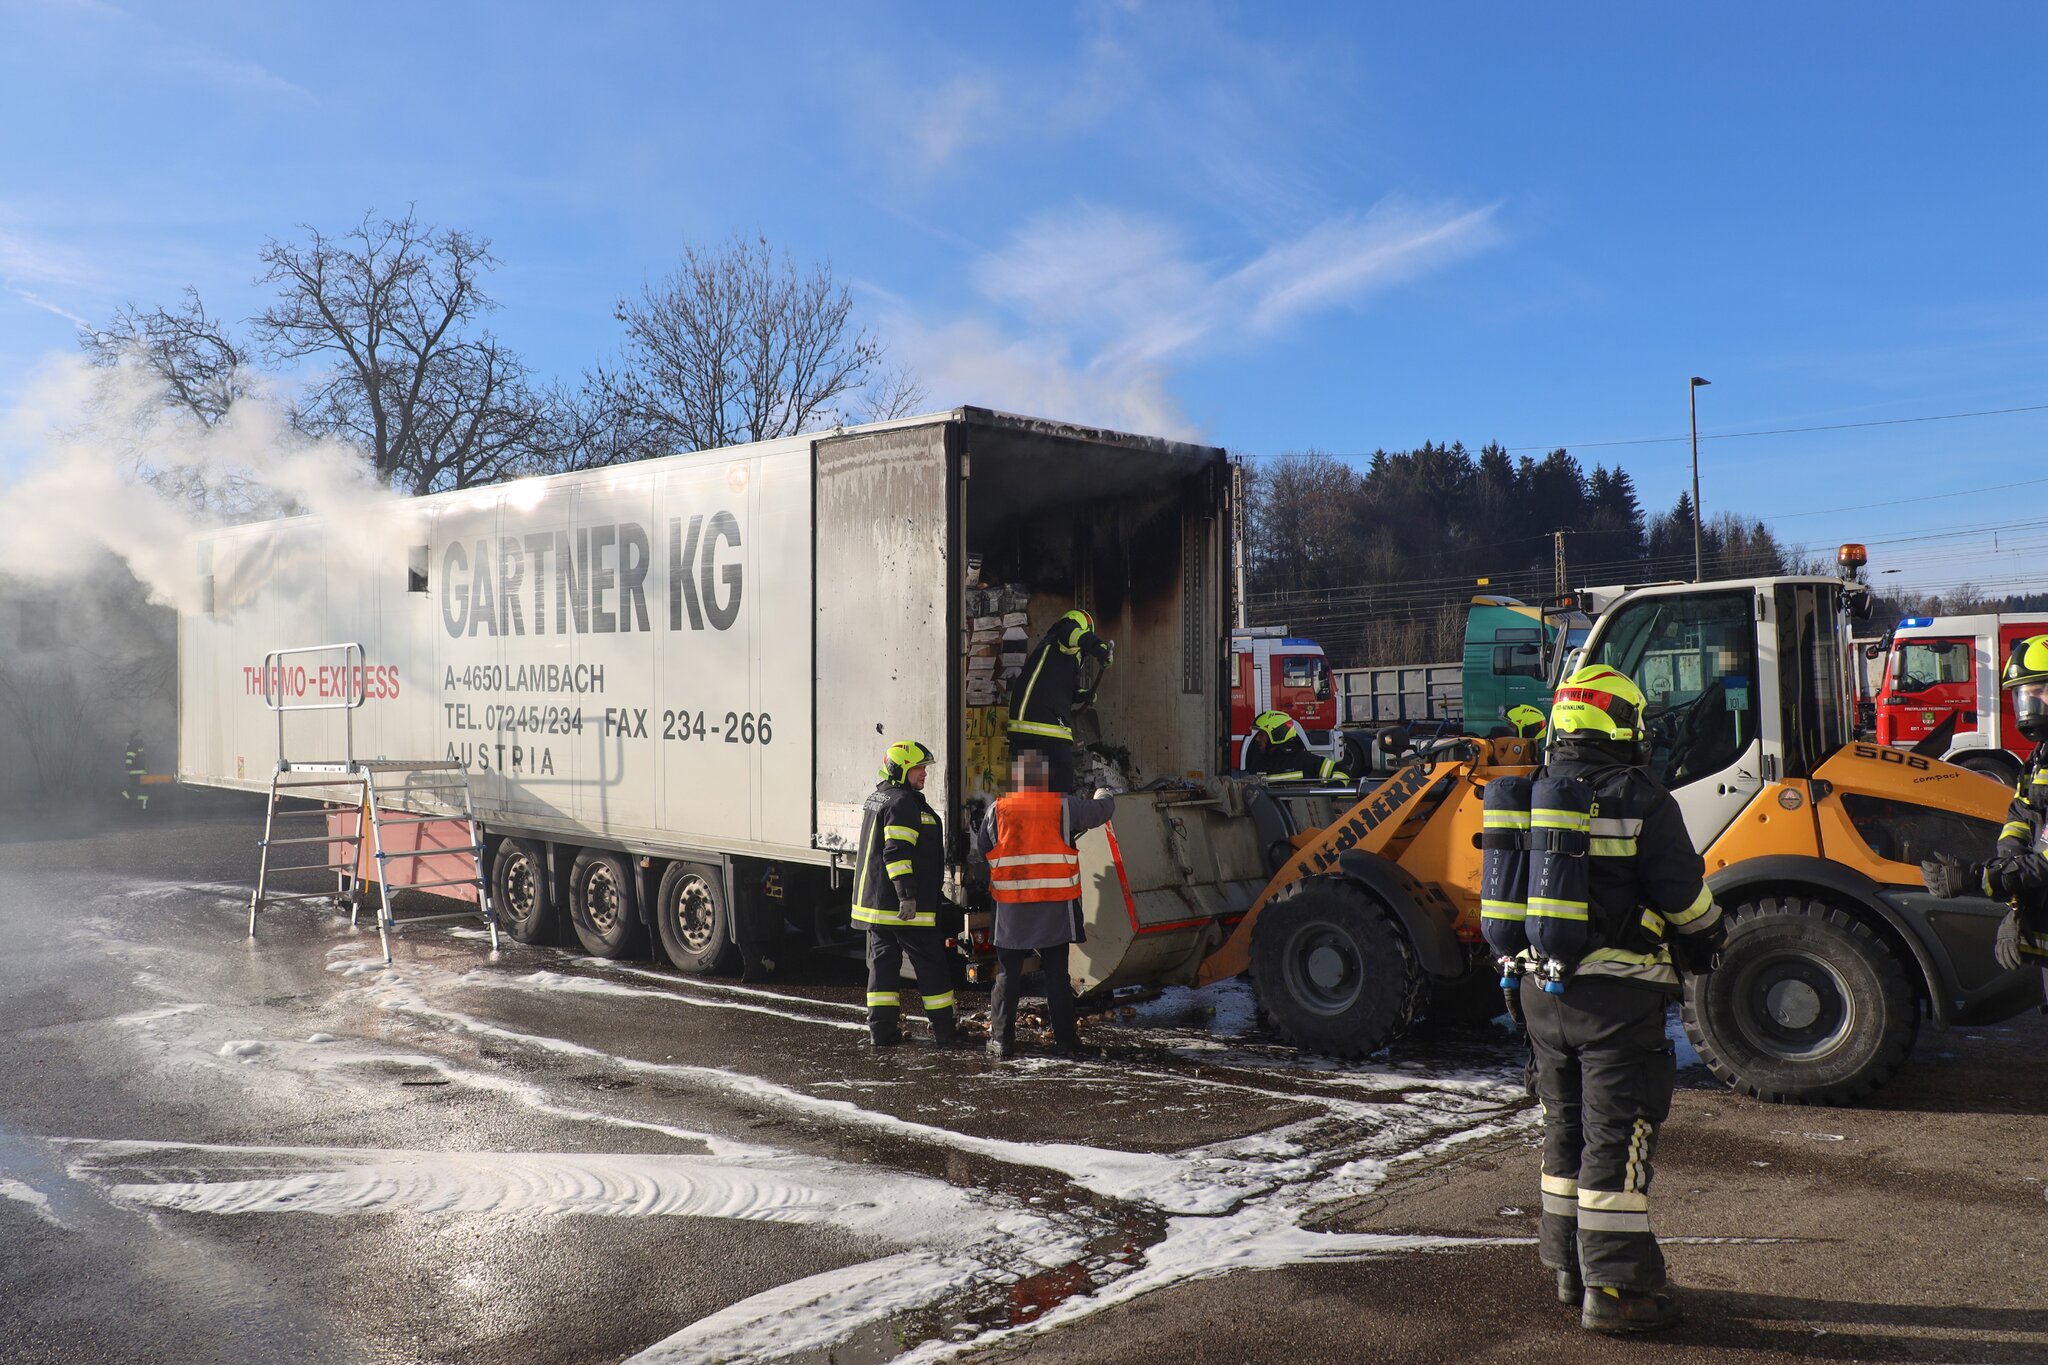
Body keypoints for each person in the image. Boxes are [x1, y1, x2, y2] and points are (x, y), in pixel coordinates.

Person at [1517, 665, 1726, 1335]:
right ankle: (1616, 1290)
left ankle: (1569, 1269)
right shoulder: (1641, 798)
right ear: (1622, 725)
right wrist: (1709, 939)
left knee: (1565, 1128)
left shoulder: (1532, 792)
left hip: (1541, 997)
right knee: (1616, 1136)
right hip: (1615, 1004)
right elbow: (1684, 898)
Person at [975, 749, 1117, 1060]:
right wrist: (1105, 794)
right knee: (1056, 975)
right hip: (1054, 906)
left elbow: (984, 848)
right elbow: (1101, 812)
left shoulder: (998, 809)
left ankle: (1002, 1041)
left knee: (1008, 975)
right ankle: (1065, 1041)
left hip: (1012, 908)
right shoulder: (1063, 806)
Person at [1924, 634, 2048, 974]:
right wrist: (2016, 902)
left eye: (2038, 691)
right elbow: (2020, 818)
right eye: (2023, 694)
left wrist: (1982, 877)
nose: (2029, 703)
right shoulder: (2041, 757)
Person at [852, 740, 960, 1048]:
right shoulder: (902, 802)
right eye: (918, 768)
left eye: (924, 768)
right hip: (903, 907)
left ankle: (881, 1031)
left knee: (883, 967)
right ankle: (945, 1030)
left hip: (878, 905)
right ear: (899, 769)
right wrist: (907, 896)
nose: (924, 773)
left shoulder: (880, 796)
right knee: (931, 965)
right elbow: (896, 853)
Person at [1007, 609, 1115, 793]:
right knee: (1059, 791)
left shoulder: (1051, 652)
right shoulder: (1064, 631)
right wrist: (1100, 648)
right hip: (1045, 730)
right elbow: (1074, 635)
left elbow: (1066, 690)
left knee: (1029, 796)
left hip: (1023, 731)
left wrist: (1084, 695)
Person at [1243, 710, 1352, 783]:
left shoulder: (1304, 760)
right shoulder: (1259, 763)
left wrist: (1327, 796)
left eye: (1262, 734)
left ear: (1277, 734)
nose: (1257, 739)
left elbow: (1342, 772)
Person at [122, 732, 150, 813]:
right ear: (135, 737)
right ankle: (128, 801)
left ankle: (141, 807)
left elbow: (141, 759)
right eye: (139, 735)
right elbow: (129, 758)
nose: (141, 737)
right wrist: (127, 768)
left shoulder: (138, 746)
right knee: (137, 789)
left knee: (141, 789)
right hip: (136, 772)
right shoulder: (134, 746)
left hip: (140, 772)